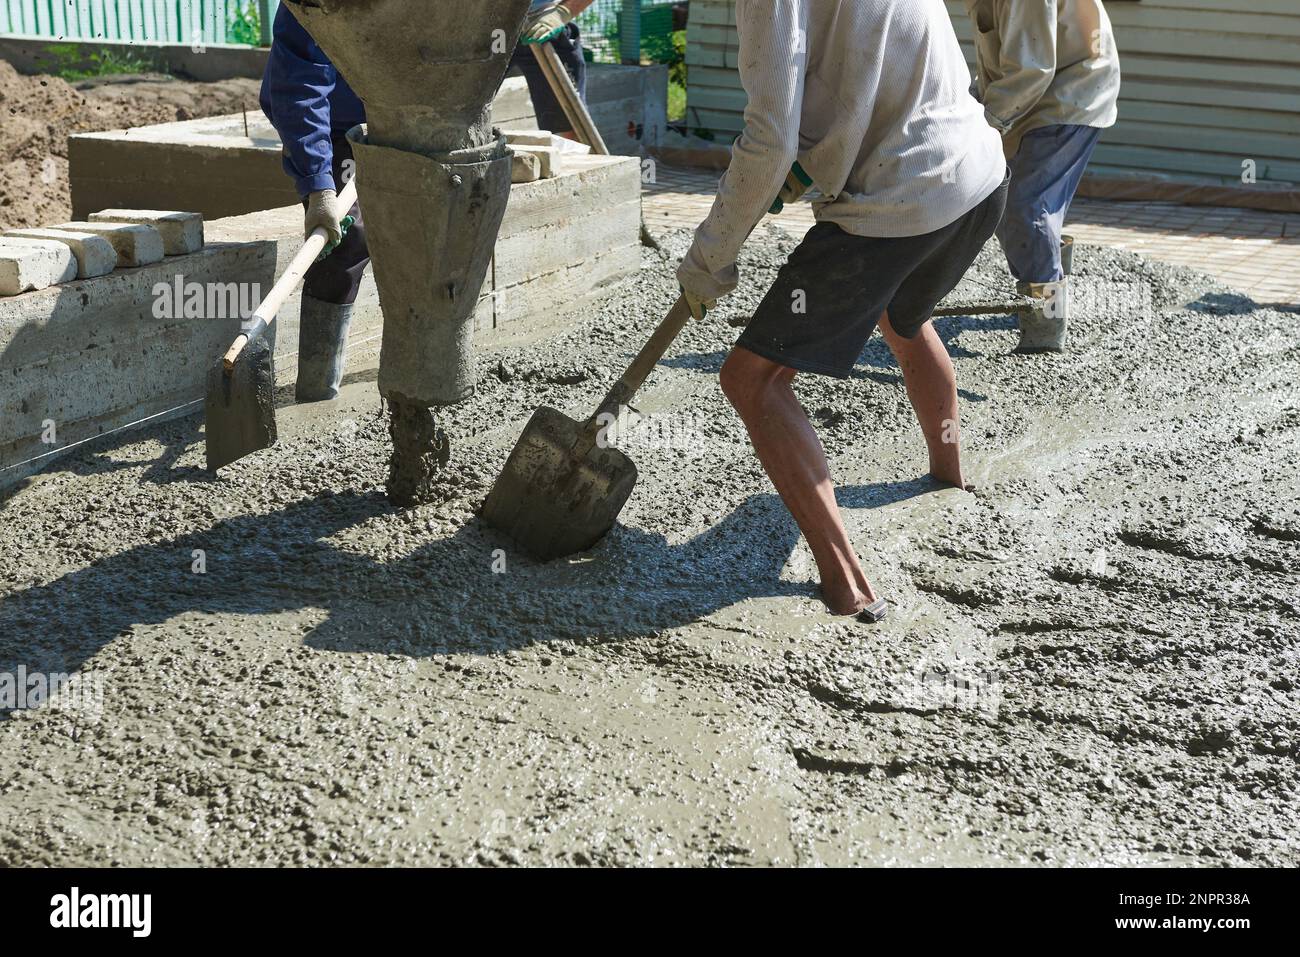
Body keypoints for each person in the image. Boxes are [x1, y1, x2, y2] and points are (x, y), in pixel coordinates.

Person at [676, 0, 1008, 622]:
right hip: (978, 178)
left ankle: (846, 586)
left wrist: (709, 260)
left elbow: (768, 138)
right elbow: (863, 77)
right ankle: (948, 476)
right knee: (903, 320)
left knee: (751, 379)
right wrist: (806, 166)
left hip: (900, 199)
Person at [964, 0, 1121, 352]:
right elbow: (1003, 56)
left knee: (1024, 206)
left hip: (1072, 91)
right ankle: (1050, 279)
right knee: (1028, 206)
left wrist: (981, 126)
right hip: (1040, 91)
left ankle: (1045, 330)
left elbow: (1030, 70)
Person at [259, 2, 367, 402]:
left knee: (423, 242)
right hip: (342, 124)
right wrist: (319, 184)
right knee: (345, 239)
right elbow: (300, 86)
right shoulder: (315, 5)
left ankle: (416, 379)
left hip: (418, 120)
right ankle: (318, 383)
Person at [510, 1, 598, 140]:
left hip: (544, 26)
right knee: (467, 108)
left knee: (570, 124)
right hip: (489, 29)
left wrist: (563, 12)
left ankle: (573, 159)